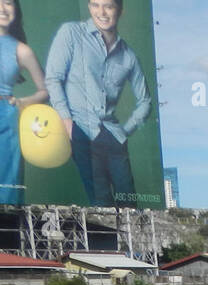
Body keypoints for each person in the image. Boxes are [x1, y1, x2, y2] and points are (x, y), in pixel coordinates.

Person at [44, 0, 150, 206]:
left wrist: (124, 132)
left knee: (129, 203)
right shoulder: (72, 33)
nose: (101, 12)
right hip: (81, 130)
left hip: (113, 135)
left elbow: (145, 101)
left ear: (120, 10)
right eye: (95, 5)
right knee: (101, 203)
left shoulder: (129, 56)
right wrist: (68, 124)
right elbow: (53, 78)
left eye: (108, 6)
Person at [0, 0, 48, 205]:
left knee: (7, 190)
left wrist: (23, 102)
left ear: (16, 10)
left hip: (6, 119)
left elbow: (46, 90)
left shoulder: (22, 50)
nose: (3, 9)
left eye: (8, 3)